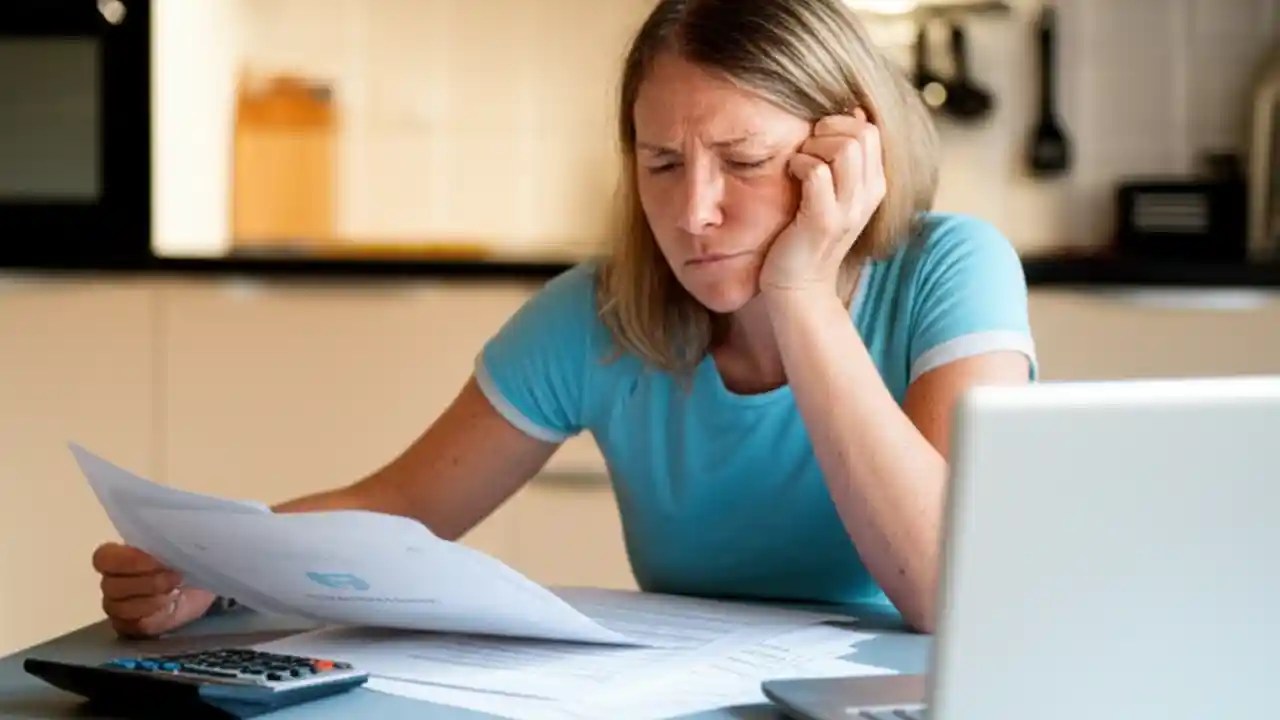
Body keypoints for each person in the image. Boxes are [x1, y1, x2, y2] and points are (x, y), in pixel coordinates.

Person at [91, 0, 1035, 637]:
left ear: (848, 153)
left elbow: (950, 592)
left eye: (743, 160)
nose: (693, 211)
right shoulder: (601, 310)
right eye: (662, 163)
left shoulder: (951, 269)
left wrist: (798, 295)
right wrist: (209, 570)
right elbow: (402, 509)